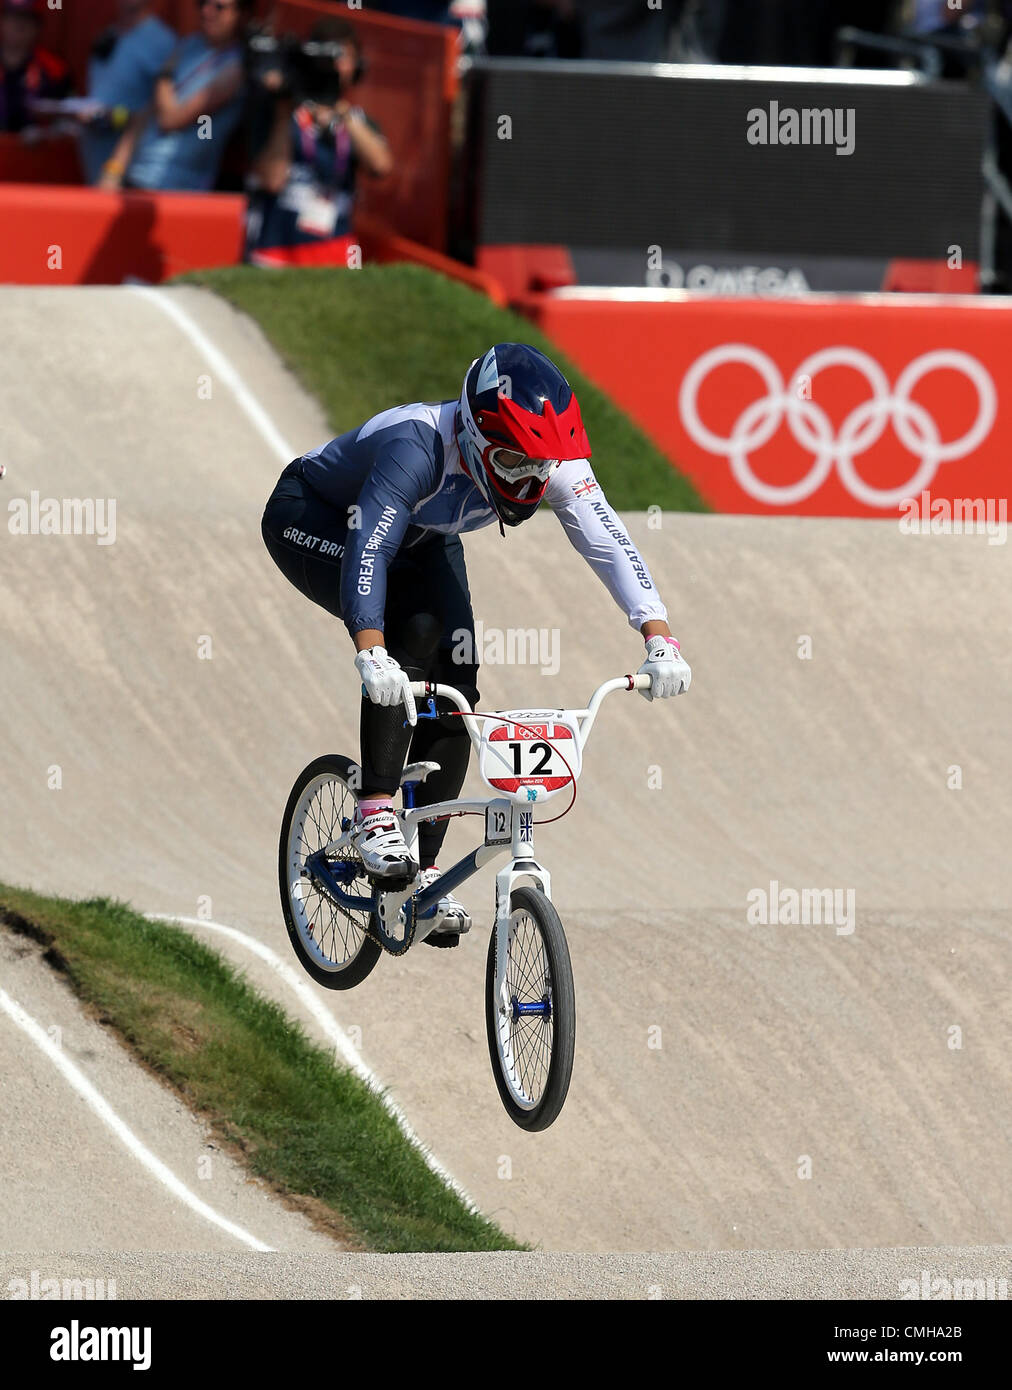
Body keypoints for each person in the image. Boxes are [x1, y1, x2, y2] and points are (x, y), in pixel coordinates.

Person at [261, 343, 691, 943]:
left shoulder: (549, 458)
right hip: (316, 518)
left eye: (540, 468)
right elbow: (370, 551)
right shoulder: (417, 446)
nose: (530, 480)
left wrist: (658, 634)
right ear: (475, 436)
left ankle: (424, 870)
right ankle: (376, 808)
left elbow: (606, 538)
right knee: (412, 630)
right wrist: (370, 651)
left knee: (459, 678)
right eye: (514, 463)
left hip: (422, 532)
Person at [246, 18, 391, 259]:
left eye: (343, 57)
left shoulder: (357, 120)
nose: (335, 66)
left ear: (357, 66)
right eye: (329, 56)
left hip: (333, 252)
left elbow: (381, 165)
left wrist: (341, 113)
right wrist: (285, 107)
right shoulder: (280, 113)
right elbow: (272, 180)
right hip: (277, 250)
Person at [100, 0, 250, 192]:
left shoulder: (236, 66)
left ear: (241, 15)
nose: (207, 11)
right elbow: (146, 112)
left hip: (177, 188)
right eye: (203, 2)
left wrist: (163, 75)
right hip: (138, 175)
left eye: (219, 7)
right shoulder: (189, 45)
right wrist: (113, 170)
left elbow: (169, 119)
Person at [78, 0, 176, 186]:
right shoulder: (106, 35)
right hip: (94, 167)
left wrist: (115, 117)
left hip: (131, 175)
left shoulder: (162, 41)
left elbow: (158, 111)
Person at [0, 0, 70, 134]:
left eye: (27, 18)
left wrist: (49, 131)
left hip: (39, 151)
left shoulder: (55, 69)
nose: (19, 25)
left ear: (38, 25)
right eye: (13, 17)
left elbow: (69, 117)